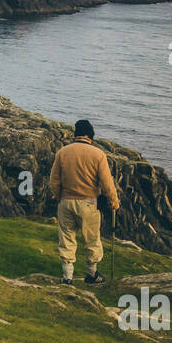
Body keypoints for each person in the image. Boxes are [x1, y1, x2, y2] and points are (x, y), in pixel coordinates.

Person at [47, 119, 120, 286]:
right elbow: (107, 183)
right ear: (91, 135)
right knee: (92, 239)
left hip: (66, 201)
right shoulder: (98, 154)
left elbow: (54, 181)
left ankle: (67, 277)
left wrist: (59, 197)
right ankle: (92, 274)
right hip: (88, 203)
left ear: (76, 134)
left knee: (66, 238)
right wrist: (113, 202)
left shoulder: (63, 153)